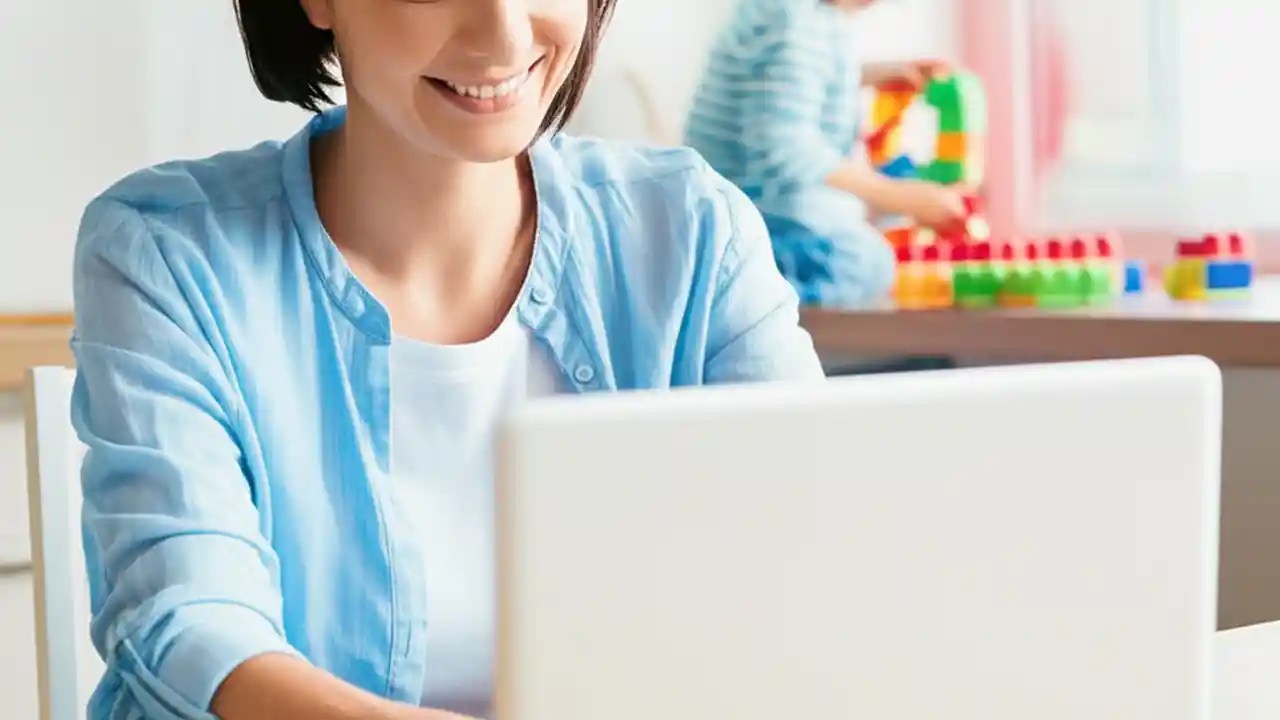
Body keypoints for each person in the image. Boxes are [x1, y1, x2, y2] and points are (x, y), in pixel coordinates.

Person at [70, 2, 824, 718]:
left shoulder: (693, 233)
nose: (501, 34)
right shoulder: (167, 252)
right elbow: (190, 619)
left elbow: (821, 552)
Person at [685, 0, 973, 306]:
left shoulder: (811, 17)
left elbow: (786, 82)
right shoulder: (791, 21)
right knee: (869, 261)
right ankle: (749, 299)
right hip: (755, 215)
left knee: (892, 192)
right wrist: (897, 196)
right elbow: (788, 147)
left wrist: (873, 75)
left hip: (772, 208)